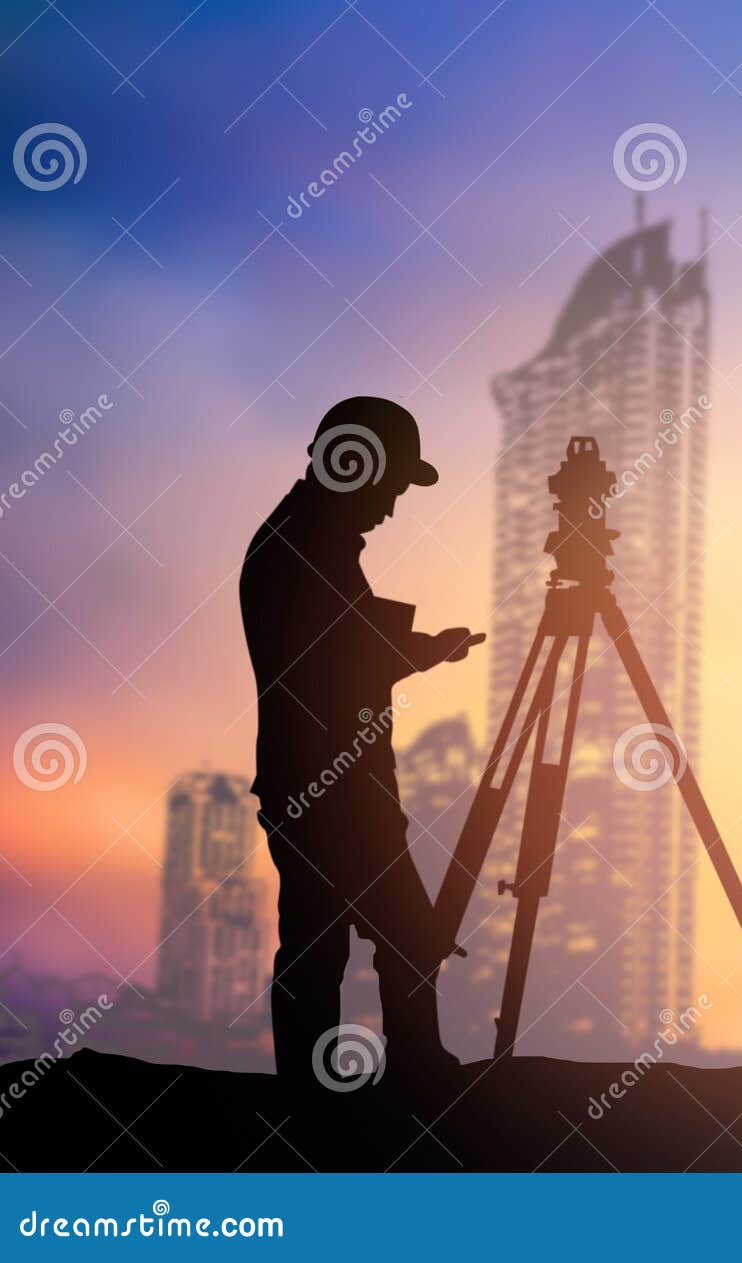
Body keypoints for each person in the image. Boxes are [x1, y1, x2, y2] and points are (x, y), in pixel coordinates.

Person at [240, 397, 484, 1089]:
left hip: (338, 781)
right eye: (391, 485)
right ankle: (349, 1089)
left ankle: (383, 1073)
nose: (392, 505)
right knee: (355, 935)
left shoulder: (310, 542)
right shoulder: (300, 546)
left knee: (380, 931)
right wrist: (421, 650)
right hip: (326, 788)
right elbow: (333, 654)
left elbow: (343, 643)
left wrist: (417, 648)